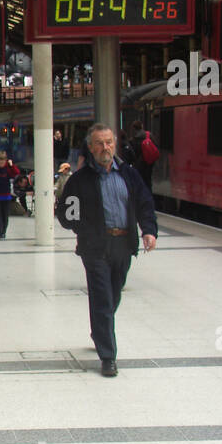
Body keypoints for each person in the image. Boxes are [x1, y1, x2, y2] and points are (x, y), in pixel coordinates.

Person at [55, 121, 157, 377]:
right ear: (90, 147)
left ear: (115, 144)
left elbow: (144, 202)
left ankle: (100, 329)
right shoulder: (80, 180)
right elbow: (66, 214)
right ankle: (108, 356)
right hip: (94, 247)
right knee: (102, 298)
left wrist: (149, 230)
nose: (105, 147)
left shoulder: (129, 174)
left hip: (123, 244)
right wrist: (84, 227)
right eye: (99, 143)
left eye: (109, 142)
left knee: (113, 295)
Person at [122, 119, 156, 191]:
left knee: (139, 181)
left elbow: (132, 154)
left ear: (133, 128)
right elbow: (155, 147)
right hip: (149, 163)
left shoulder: (132, 140)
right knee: (148, 180)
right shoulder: (149, 135)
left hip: (139, 164)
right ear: (142, 126)